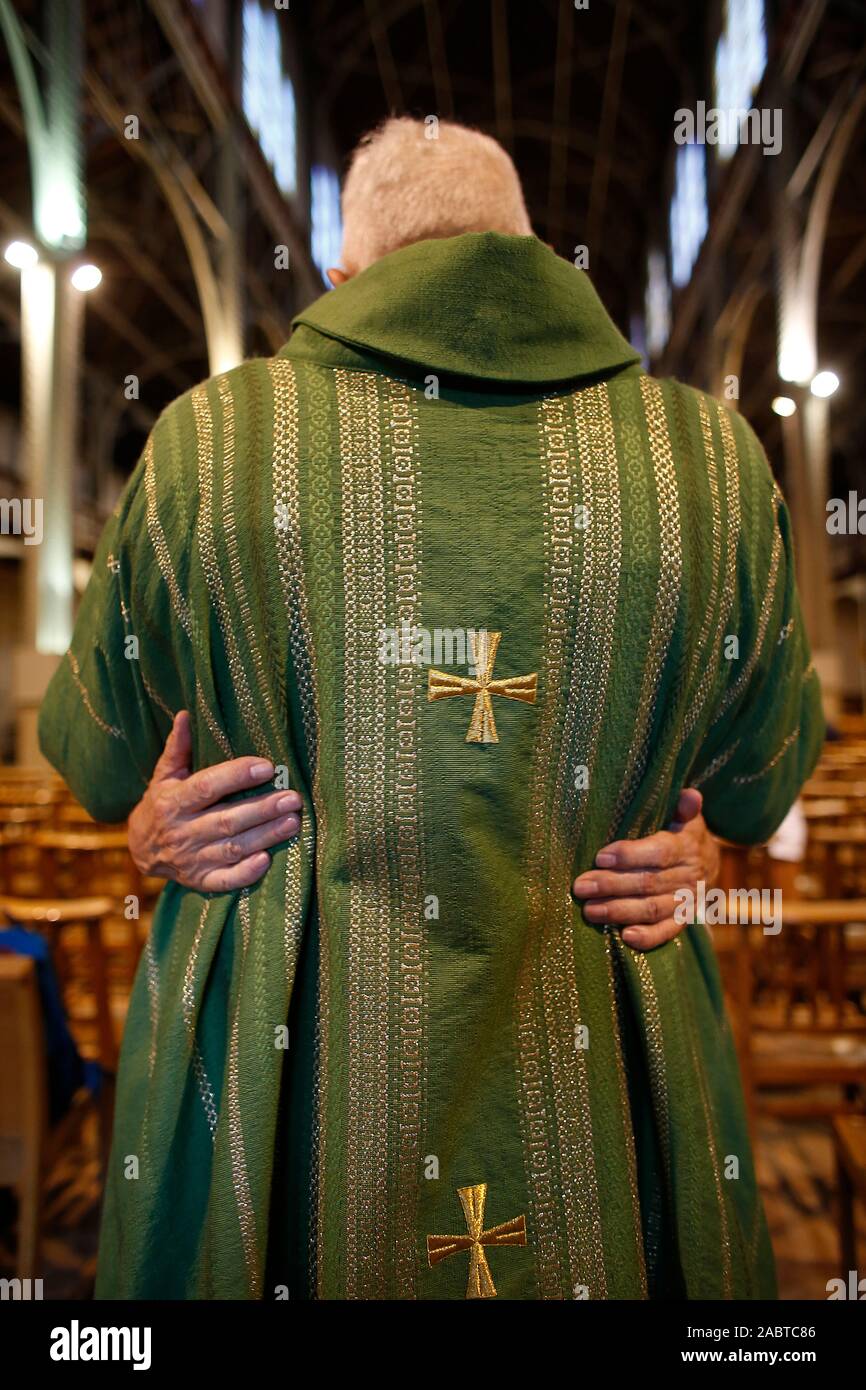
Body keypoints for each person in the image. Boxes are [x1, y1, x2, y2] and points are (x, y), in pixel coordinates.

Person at [38, 117, 824, 1301]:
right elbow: (763, 782)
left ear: (348, 278)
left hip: (283, 1060)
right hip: (606, 1048)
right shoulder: (708, 461)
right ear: (534, 252)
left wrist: (155, 828)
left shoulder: (211, 442)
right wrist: (699, 833)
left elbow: (97, 758)